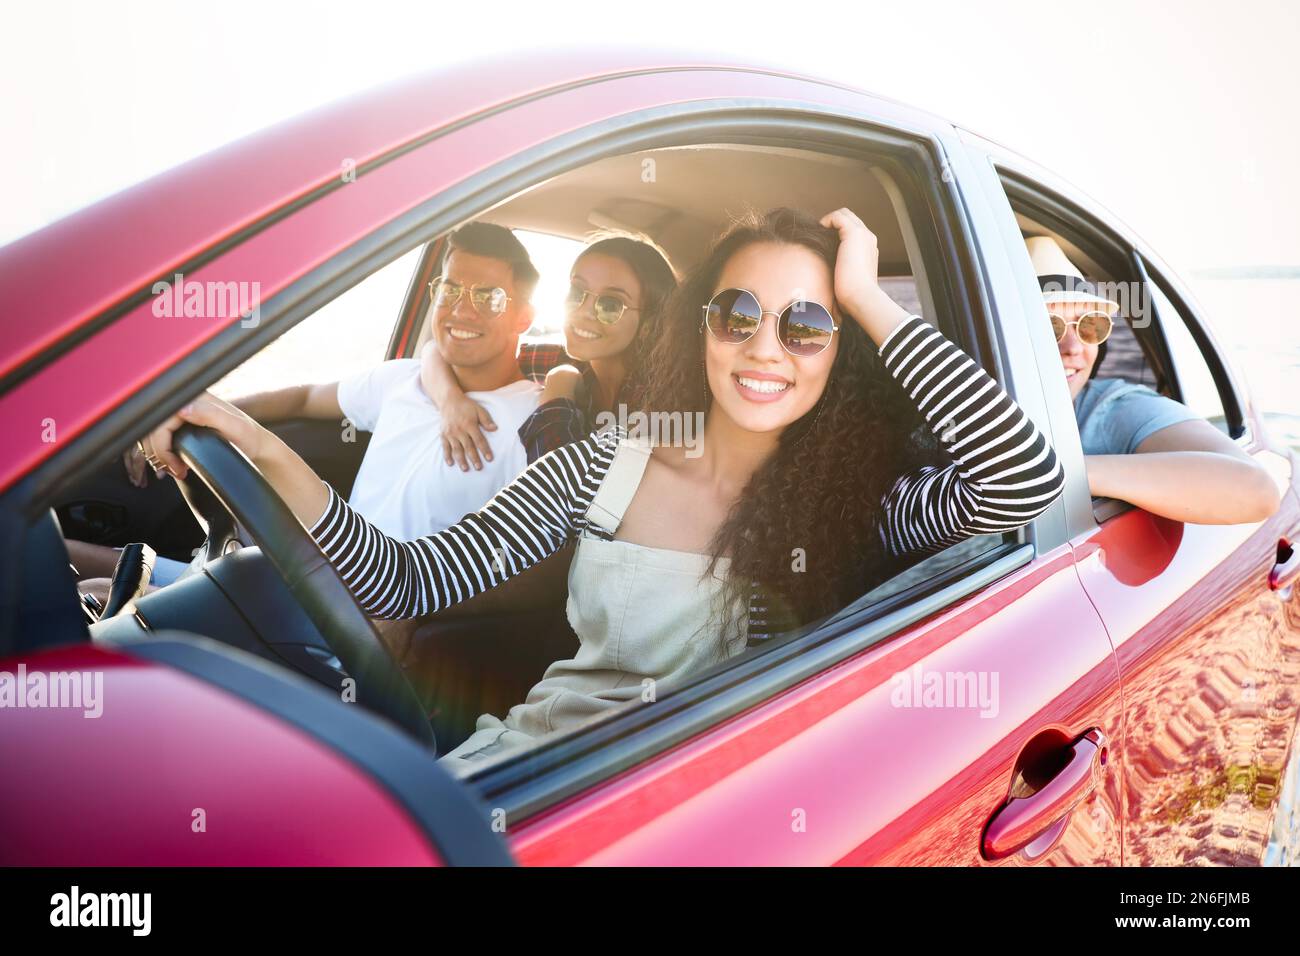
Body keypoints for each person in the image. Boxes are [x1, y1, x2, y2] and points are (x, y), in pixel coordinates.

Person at [140, 207, 1066, 776]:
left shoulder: (865, 502)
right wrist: (252, 437)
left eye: (808, 323)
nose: (764, 348)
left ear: (843, 347)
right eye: (738, 314)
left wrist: (871, 300)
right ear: (703, 328)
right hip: (539, 788)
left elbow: (1026, 478)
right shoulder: (612, 455)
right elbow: (405, 583)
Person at [77, 222, 544, 598]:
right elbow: (301, 398)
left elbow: (524, 572)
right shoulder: (402, 380)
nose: (462, 310)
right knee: (78, 577)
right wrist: (192, 413)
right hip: (301, 572)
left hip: (361, 617)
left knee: (101, 606)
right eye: (451, 290)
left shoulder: (536, 423)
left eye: (489, 297)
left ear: (525, 317)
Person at [1027, 236, 1280, 524]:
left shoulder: (1112, 409)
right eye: (1049, 326)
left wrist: (1057, 473)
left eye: (1089, 326)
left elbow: (1257, 490)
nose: (1073, 347)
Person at [420, 235, 677, 468]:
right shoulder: (561, 359)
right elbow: (438, 351)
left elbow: (560, 492)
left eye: (611, 304)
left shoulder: (662, 409)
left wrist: (558, 390)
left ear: (649, 322)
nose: (583, 311)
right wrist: (450, 401)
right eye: (577, 292)